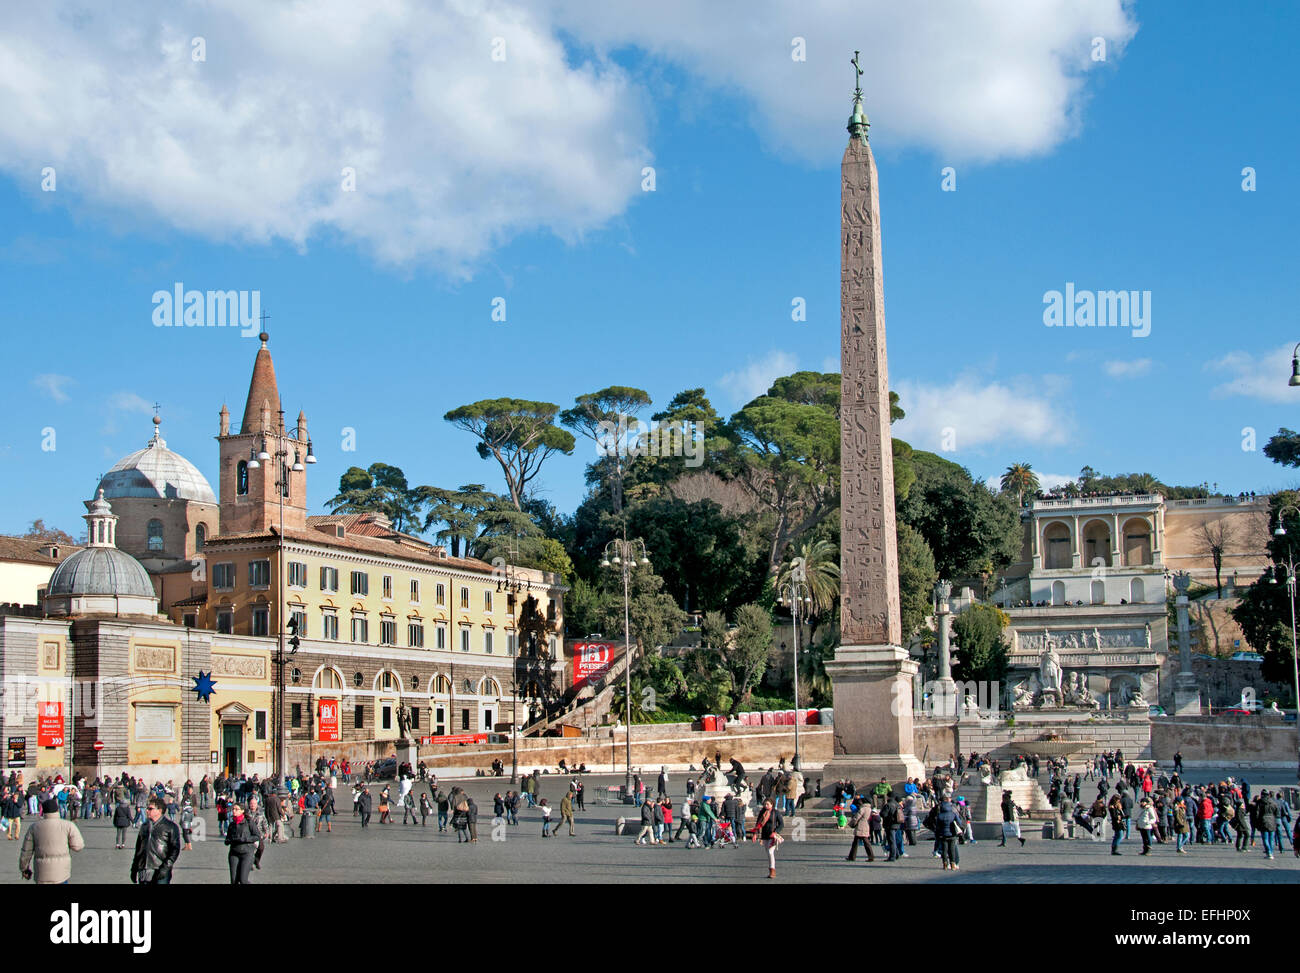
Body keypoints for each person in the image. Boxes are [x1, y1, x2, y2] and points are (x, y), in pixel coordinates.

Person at [19, 798, 84, 884]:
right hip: (61, 872)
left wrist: (24, 868)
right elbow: (78, 846)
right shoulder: (68, 825)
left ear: (43, 811)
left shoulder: (34, 827)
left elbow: (26, 851)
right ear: (57, 810)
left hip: (41, 873)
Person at [132, 796, 182, 884]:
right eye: (147, 808)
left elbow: (175, 849)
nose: (147, 810)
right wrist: (134, 868)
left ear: (159, 810)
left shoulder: (170, 827)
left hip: (159, 869)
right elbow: (138, 849)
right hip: (144, 869)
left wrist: (166, 867)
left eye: (150, 808)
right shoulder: (144, 826)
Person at [224, 803, 260, 884]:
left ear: (242, 811)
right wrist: (229, 840)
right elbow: (227, 840)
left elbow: (257, 836)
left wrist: (245, 839)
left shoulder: (248, 822)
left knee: (243, 880)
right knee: (234, 881)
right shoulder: (232, 824)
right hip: (234, 853)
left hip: (246, 853)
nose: (234, 811)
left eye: (236, 809)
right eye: (233, 809)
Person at [752, 799, 784, 879]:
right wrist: (755, 834)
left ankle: (772, 870)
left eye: (767, 804)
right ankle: (771, 870)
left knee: (770, 852)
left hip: (773, 835)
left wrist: (776, 831)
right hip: (765, 835)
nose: (766, 806)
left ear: (772, 804)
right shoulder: (762, 812)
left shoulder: (776, 813)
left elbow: (781, 824)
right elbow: (758, 823)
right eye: (765, 804)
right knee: (768, 852)